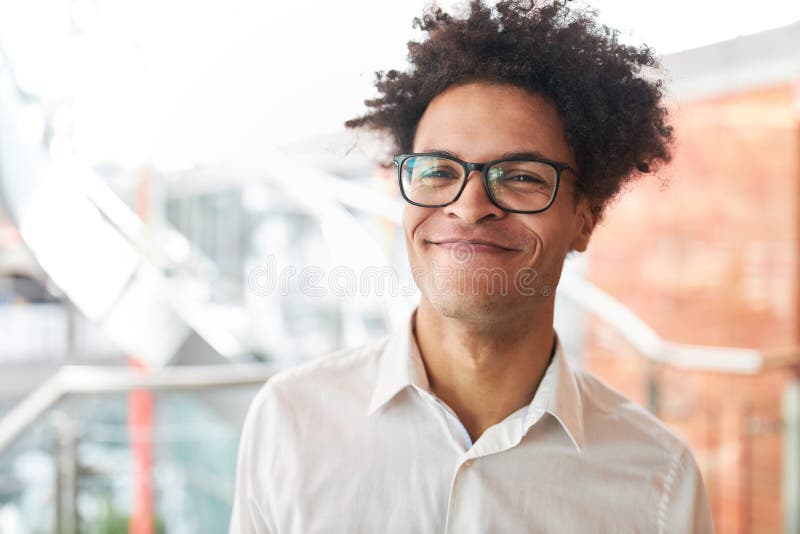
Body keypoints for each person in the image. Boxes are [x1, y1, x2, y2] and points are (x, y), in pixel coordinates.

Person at [230, 1, 713, 532]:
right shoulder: (291, 421)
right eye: (438, 170)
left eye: (523, 176)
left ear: (584, 218)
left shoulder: (658, 481)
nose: (469, 205)